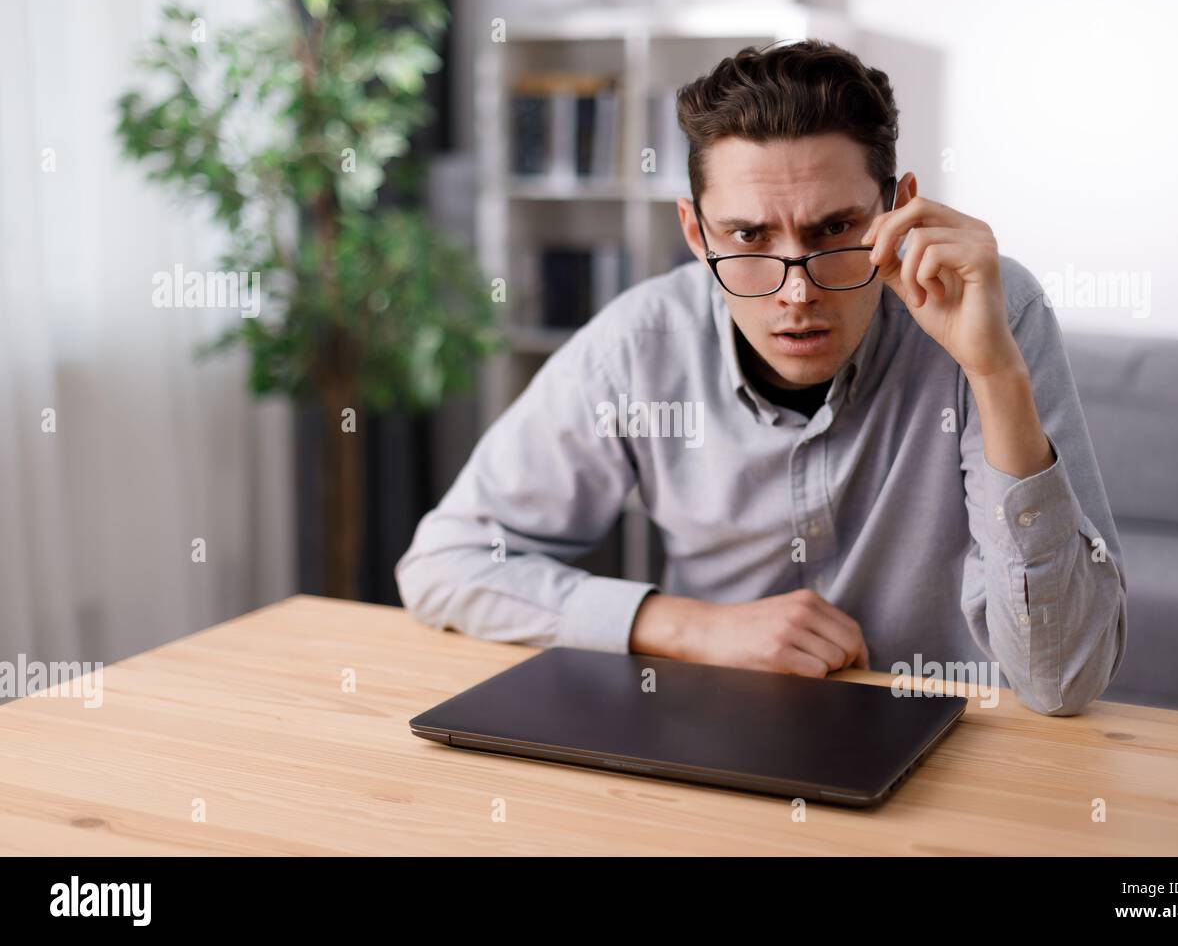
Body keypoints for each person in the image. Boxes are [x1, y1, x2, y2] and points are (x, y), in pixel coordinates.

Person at [397, 40, 1126, 716]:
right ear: (695, 232)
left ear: (898, 209)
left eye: (834, 231)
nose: (796, 293)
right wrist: (688, 628)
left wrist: (995, 373)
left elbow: (1059, 681)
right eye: (749, 237)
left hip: (954, 747)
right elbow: (443, 564)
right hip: (713, 737)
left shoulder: (993, 311)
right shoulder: (639, 345)